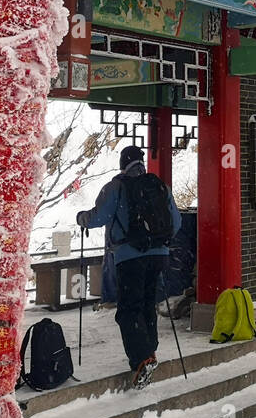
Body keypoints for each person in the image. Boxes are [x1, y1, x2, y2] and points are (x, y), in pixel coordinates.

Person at [76, 145, 182, 389]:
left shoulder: (116, 186)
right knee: (147, 302)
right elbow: (175, 222)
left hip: (129, 256)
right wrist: (156, 241)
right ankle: (149, 349)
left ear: (123, 164)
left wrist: (82, 218)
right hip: (159, 256)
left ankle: (141, 358)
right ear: (142, 163)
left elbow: (98, 217)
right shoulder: (160, 187)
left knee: (128, 309)